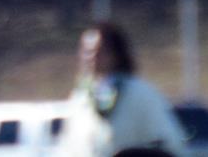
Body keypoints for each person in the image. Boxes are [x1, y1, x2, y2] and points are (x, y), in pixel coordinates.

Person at [55, 22, 190, 157]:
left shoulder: (139, 93)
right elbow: (68, 146)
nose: (91, 57)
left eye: (98, 51)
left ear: (116, 53)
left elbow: (168, 144)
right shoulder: (82, 98)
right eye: (86, 51)